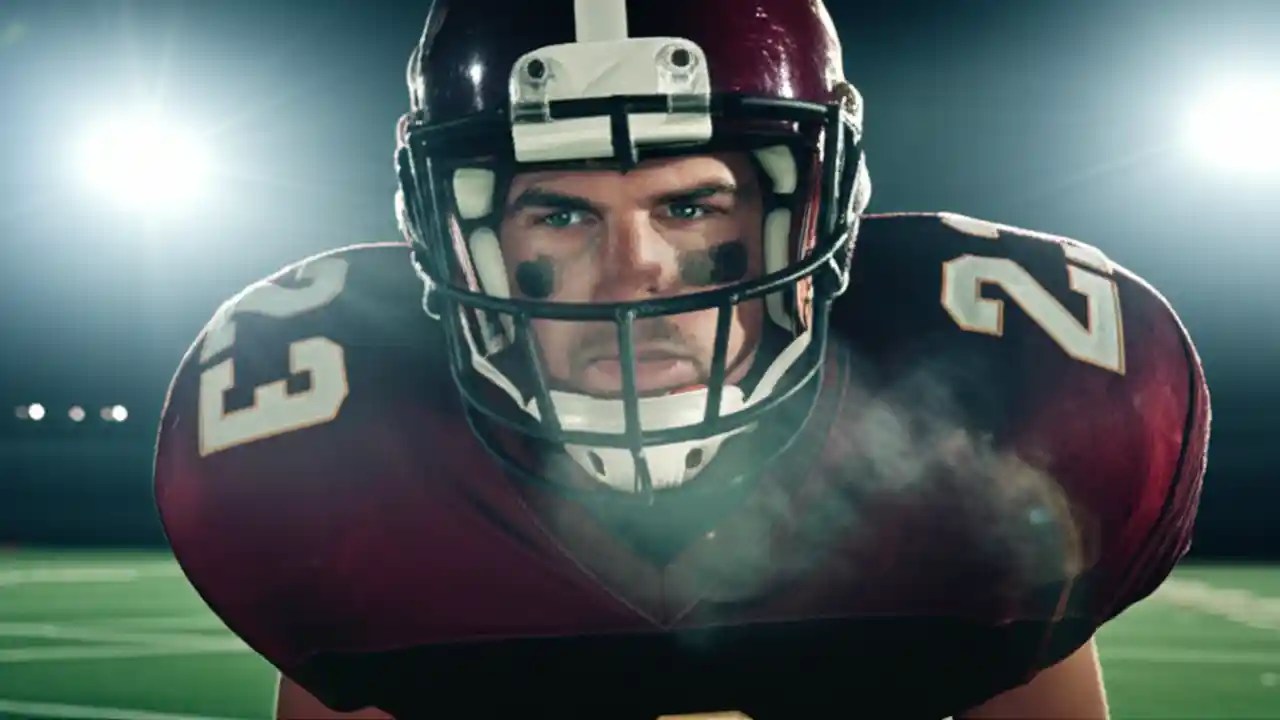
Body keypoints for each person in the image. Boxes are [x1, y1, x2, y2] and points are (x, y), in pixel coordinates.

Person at [153, 1, 1210, 718]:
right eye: (560, 213)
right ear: (456, 233)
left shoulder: (1013, 407)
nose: (632, 273)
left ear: (805, 217)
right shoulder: (327, 456)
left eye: (690, 202)